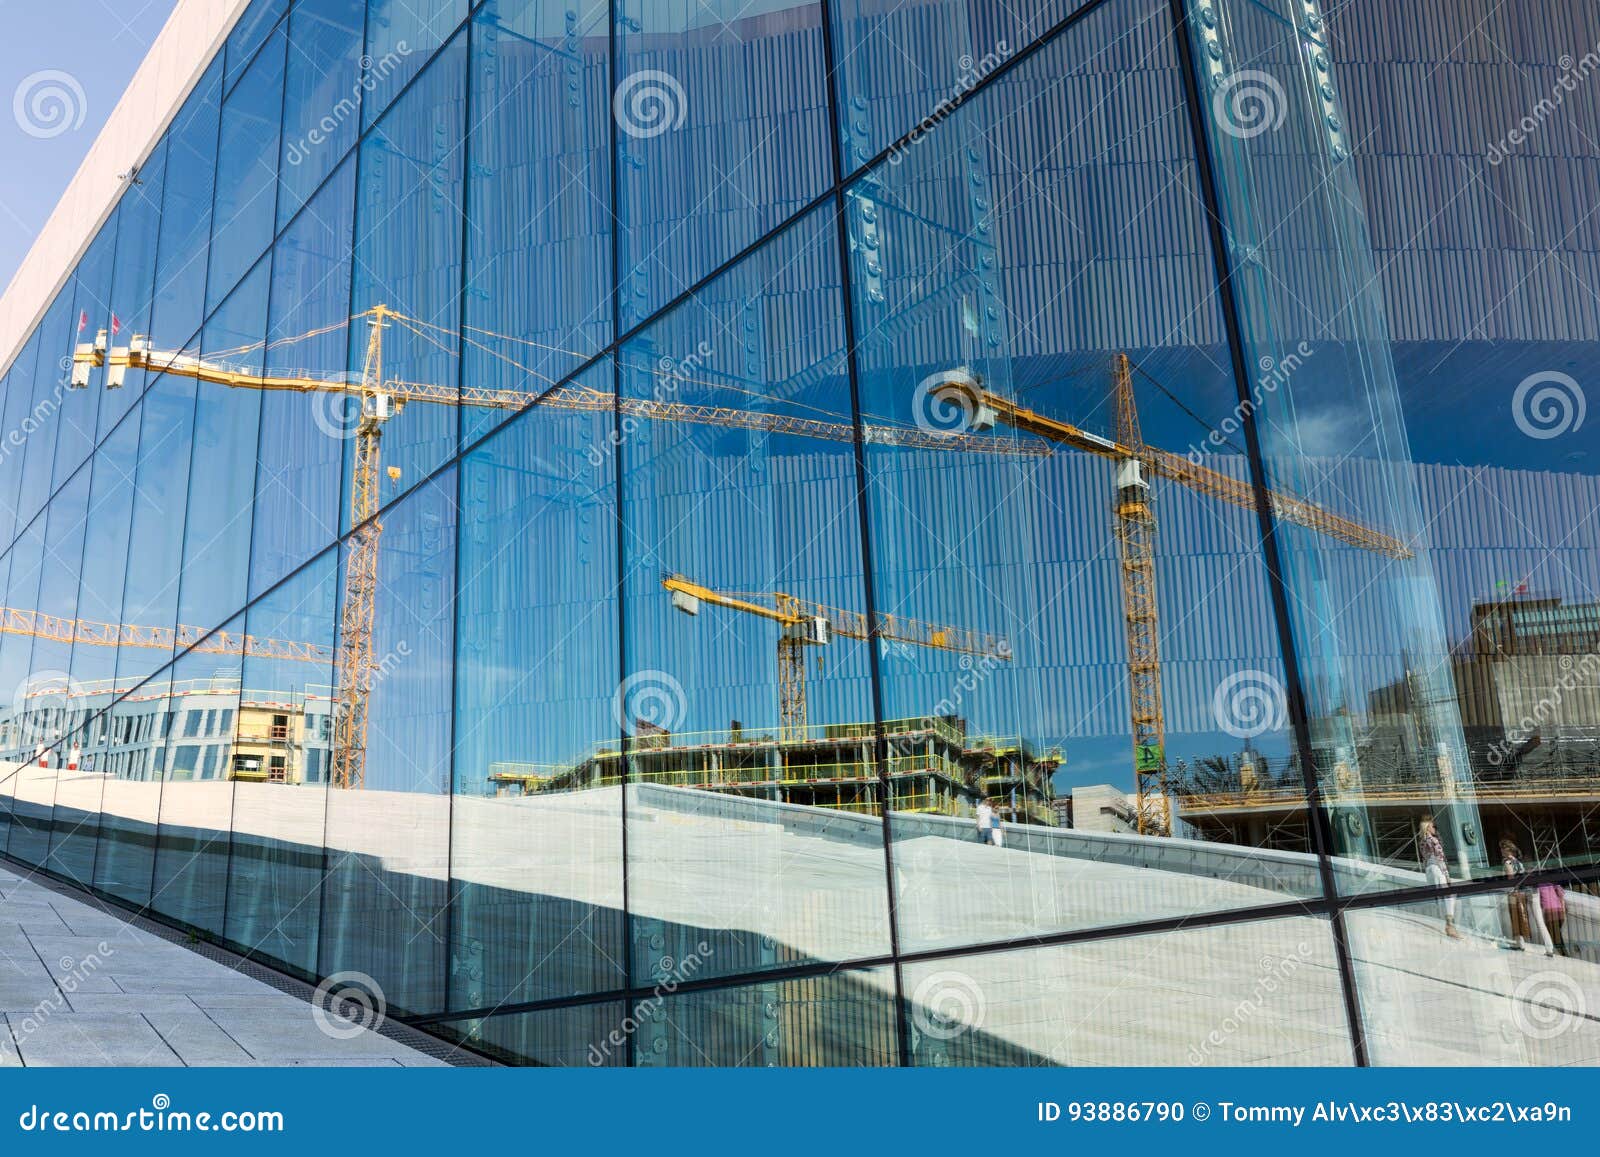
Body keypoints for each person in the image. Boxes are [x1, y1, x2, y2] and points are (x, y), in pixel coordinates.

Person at [1419, 815, 1461, 939]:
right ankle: (1450, 925)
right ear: (1428, 827)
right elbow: (1440, 858)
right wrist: (1447, 875)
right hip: (1437, 868)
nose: (1435, 829)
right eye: (1433, 826)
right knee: (1449, 894)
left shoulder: (1422, 841)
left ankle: (1449, 924)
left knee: (1441, 897)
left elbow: (1424, 859)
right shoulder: (1433, 840)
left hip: (1429, 870)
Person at [1539, 881, 1570, 957]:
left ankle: (1564, 955)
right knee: (1558, 936)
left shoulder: (1539, 884)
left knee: (1554, 937)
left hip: (1550, 912)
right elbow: (1561, 893)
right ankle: (1564, 954)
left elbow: (1538, 900)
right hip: (1559, 910)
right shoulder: (1552, 881)